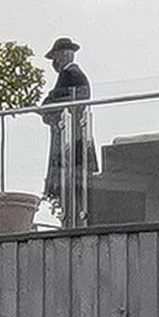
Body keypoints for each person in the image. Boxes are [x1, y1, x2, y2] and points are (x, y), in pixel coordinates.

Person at [41, 39, 95, 228]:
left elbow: (53, 102)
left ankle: (72, 222)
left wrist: (47, 107)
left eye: (55, 58)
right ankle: (73, 220)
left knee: (70, 181)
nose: (54, 64)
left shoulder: (69, 74)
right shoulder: (76, 75)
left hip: (71, 138)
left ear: (62, 55)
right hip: (75, 136)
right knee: (75, 183)